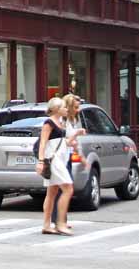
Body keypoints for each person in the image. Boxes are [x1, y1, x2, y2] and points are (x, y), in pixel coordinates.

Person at [34, 97, 78, 235]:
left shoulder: (61, 123)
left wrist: (75, 137)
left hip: (60, 159)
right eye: (64, 107)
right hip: (53, 160)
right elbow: (42, 143)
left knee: (52, 193)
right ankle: (60, 223)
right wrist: (41, 162)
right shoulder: (49, 123)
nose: (66, 109)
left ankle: (46, 225)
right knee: (68, 188)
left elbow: (64, 142)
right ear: (57, 109)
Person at [51, 93, 88, 229]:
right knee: (63, 189)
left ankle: (61, 220)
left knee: (60, 190)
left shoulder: (71, 121)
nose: (78, 110)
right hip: (59, 159)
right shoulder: (62, 122)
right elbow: (65, 141)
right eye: (76, 107)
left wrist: (81, 156)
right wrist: (76, 134)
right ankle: (58, 221)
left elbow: (72, 143)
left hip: (65, 158)